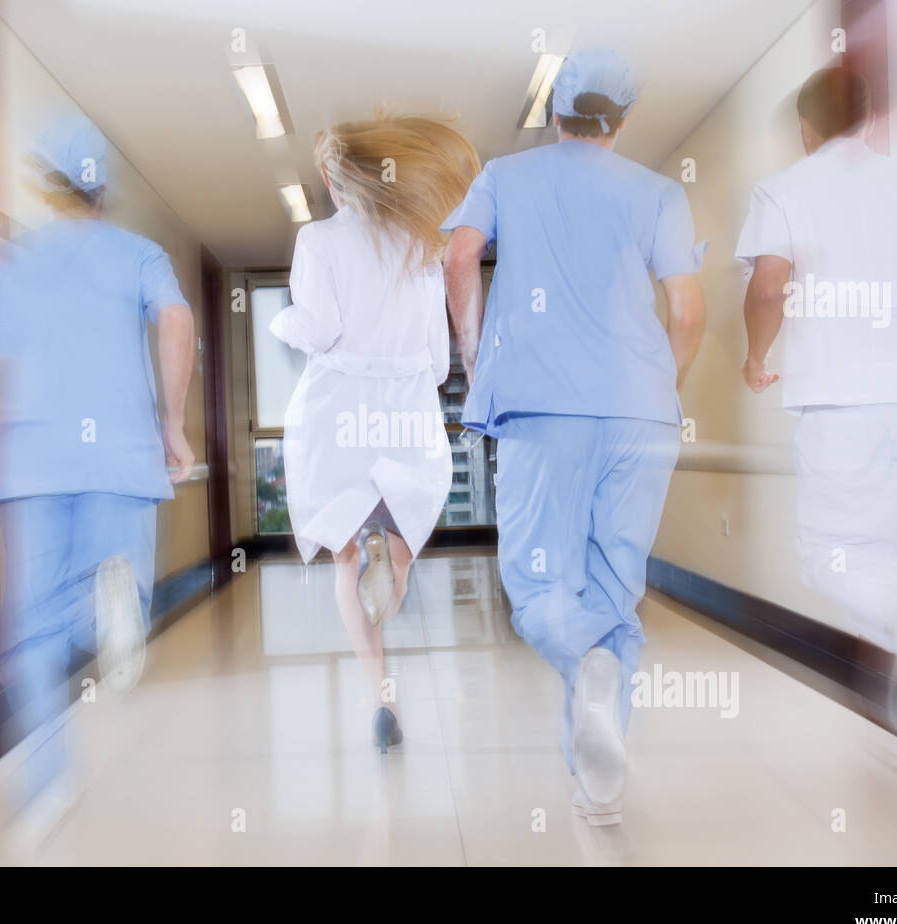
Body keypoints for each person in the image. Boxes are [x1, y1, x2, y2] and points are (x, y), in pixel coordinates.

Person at [442, 49, 706, 825]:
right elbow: (688, 312)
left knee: (538, 585)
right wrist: (660, 384)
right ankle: (599, 788)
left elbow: (459, 256)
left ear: (554, 112)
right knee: (615, 588)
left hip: (542, 407)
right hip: (642, 415)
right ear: (622, 120)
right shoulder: (660, 193)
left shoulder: (505, 175)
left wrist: (475, 357)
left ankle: (587, 669)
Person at [0, 115, 196, 831]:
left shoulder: (8, 262)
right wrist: (173, 424)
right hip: (120, 454)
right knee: (114, 582)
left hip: (32, 460)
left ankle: (47, 784)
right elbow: (177, 321)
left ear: (45, 186)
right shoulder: (140, 254)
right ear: (104, 190)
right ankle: (110, 605)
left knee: (32, 631)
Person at [735, 67, 897, 742]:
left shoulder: (786, 189)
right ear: (869, 118)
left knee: (829, 556)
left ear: (806, 127)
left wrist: (756, 358)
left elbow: (768, 289)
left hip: (841, 400)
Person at [270, 115, 479, 752]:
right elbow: (436, 358)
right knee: (401, 541)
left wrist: (282, 324)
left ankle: (380, 694)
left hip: (338, 408)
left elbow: (319, 327)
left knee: (345, 557)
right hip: (404, 408)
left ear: (332, 179)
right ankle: (389, 564)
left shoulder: (318, 240)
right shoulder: (419, 242)